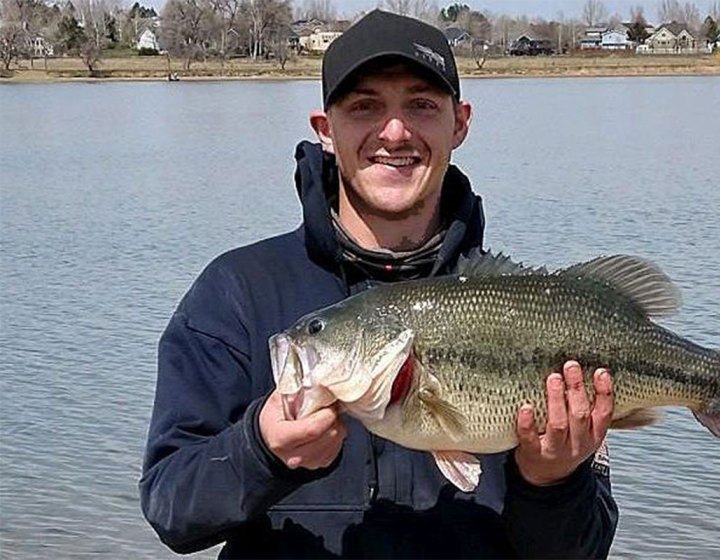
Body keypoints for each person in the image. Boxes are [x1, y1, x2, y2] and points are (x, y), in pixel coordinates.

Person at [140, 10, 618, 559]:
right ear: (325, 130)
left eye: (421, 105)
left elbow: (582, 552)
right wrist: (261, 451)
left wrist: (552, 481)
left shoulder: (537, 316)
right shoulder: (236, 293)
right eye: (364, 106)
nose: (394, 132)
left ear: (459, 123)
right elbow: (170, 509)